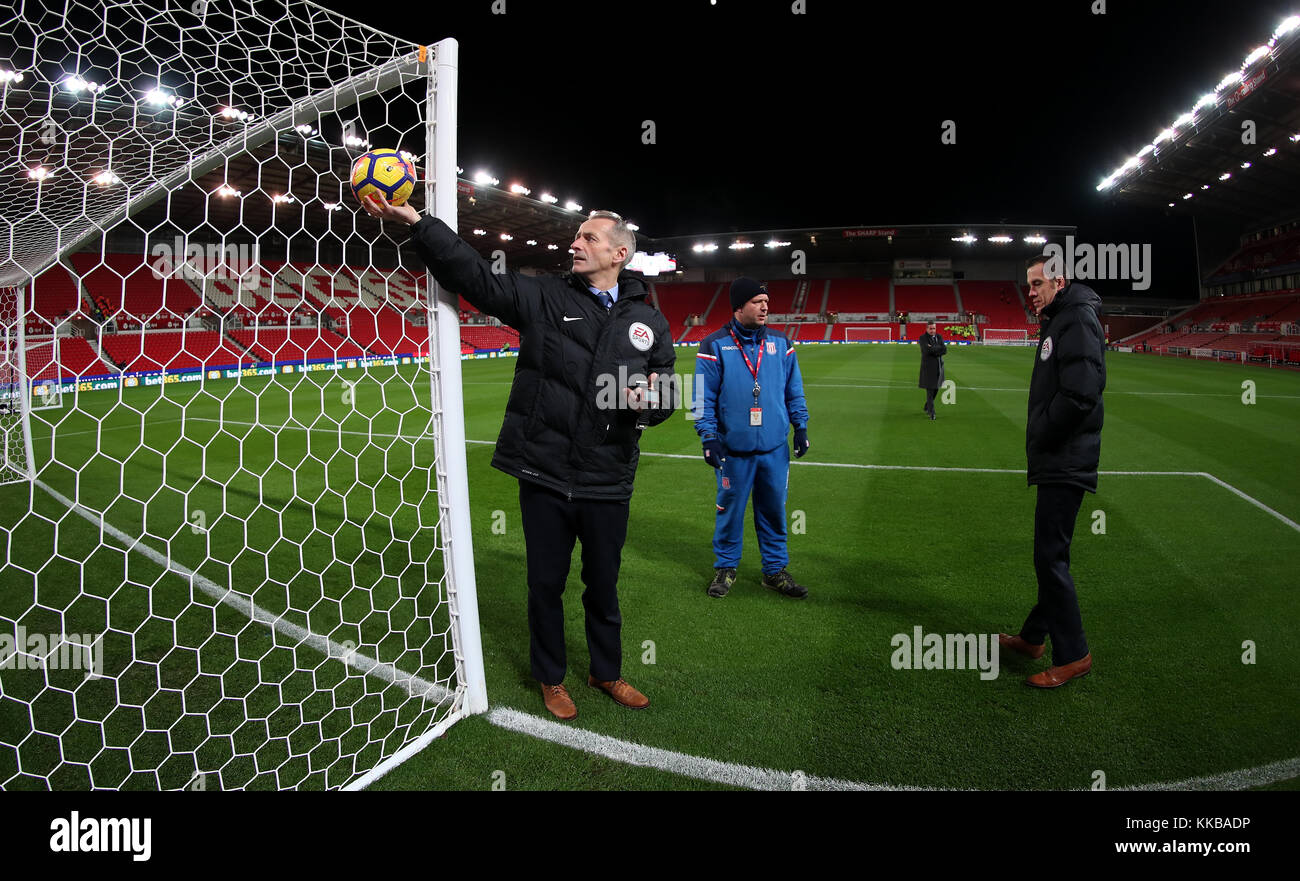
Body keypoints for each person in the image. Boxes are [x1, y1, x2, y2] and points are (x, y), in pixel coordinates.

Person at [362, 195, 676, 721]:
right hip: (546, 471)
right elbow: (477, 278)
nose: (574, 244)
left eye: (588, 238)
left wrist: (651, 402)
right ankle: (551, 678)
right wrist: (419, 224)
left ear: (619, 253)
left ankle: (607, 671)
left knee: (603, 584)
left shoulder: (647, 320)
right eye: (576, 237)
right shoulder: (545, 296)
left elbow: (668, 385)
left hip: (607, 475)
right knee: (545, 584)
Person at [999, 254, 1105, 688]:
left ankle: (1074, 653)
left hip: (1066, 456)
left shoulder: (1075, 319)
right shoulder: (1061, 318)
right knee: (1050, 554)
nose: (1031, 292)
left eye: (1037, 284)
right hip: (1060, 456)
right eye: (1028, 285)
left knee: (1050, 557)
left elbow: (1081, 393)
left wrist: (1042, 431)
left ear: (1059, 282)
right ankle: (1032, 637)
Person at [694, 278, 810, 599]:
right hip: (733, 450)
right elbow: (703, 397)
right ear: (738, 307)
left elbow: (793, 389)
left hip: (774, 449)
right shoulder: (714, 345)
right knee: (729, 510)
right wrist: (708, 437)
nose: (765, 307)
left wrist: (800, 426)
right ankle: (726, 567)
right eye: (757, 301)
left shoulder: (780, 342)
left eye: (766, 302)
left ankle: (774, 571)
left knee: (773, 509)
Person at [918, 321, 946, 420]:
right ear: (927, 329)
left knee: (936, 389)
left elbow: (944, 350)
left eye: (934, 328)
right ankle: (932, 412)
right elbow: (926, 351)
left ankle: (927, 406)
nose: (932, 330)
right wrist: (938, 349)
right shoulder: (923, 338)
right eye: (930, 328)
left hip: (939, 367)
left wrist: (933, 348)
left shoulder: (939, 337)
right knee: (930, 390)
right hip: (928, 369)